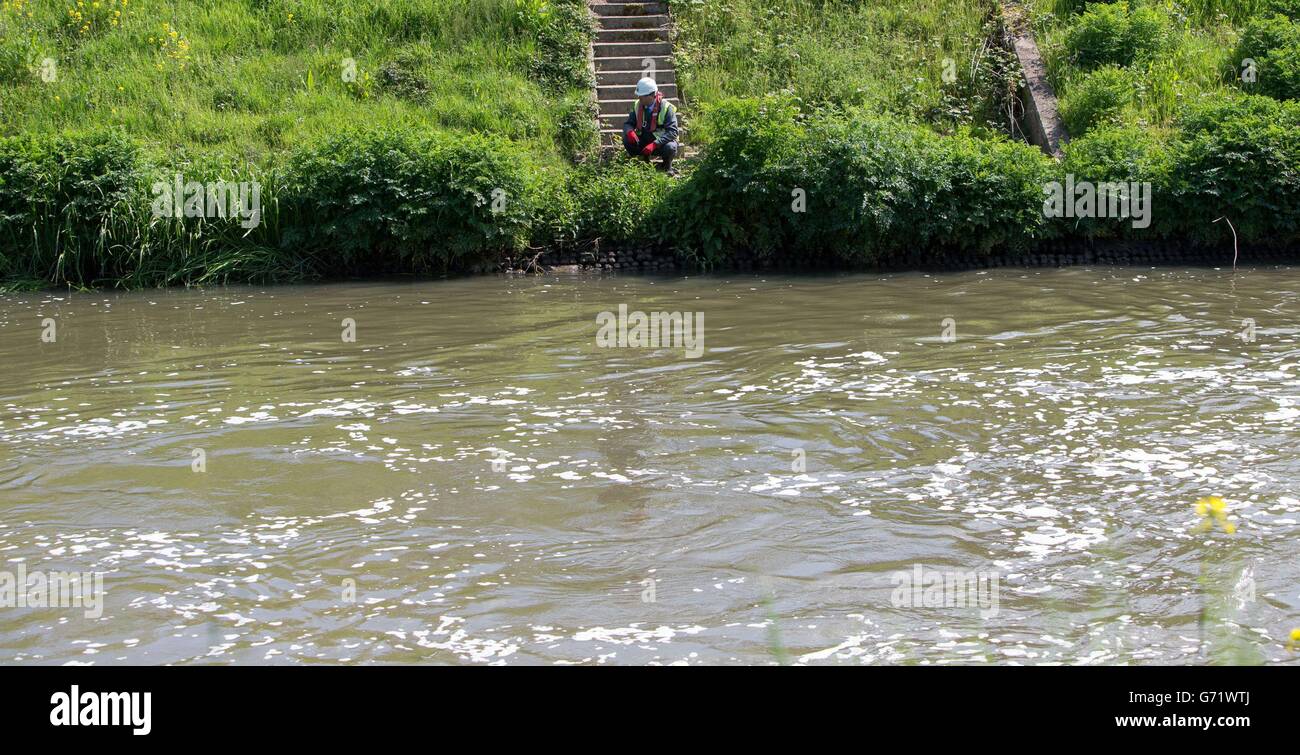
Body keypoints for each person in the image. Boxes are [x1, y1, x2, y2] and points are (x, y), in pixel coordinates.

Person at [622, 77, 679, 172]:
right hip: (644, 140)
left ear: (652, 95)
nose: (639, 98)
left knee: (670, 147)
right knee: (626, 139)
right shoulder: (637, 105)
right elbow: (628, 123)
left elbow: (673, 132)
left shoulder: (666, 107)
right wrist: (629, 131)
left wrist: (655, 144)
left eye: (642, 96)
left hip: (661, 143)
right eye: (638, 95)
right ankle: (643, 162)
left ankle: (666, 166)